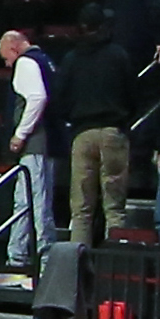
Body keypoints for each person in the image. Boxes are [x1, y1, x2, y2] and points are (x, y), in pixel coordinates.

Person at [58, 21, 135, 248]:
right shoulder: (118, 55)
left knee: (81, 210)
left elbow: (60, 98)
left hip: (82, 133)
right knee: (114, 208)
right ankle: (115, 265)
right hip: (113, 132)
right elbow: (133, 94)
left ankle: (77, 268)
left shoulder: (71, 58)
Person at [0, 29, 54, 269]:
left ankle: (44, 259)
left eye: (5, 58)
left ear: (13, 48)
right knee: (27, 200)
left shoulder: (26, 63)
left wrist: (20, 135)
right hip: (42, 145)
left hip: (35, 144)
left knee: (35, 201)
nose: (7, 64)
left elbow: (37, 98)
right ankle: (17, 255)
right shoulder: (46, 62)